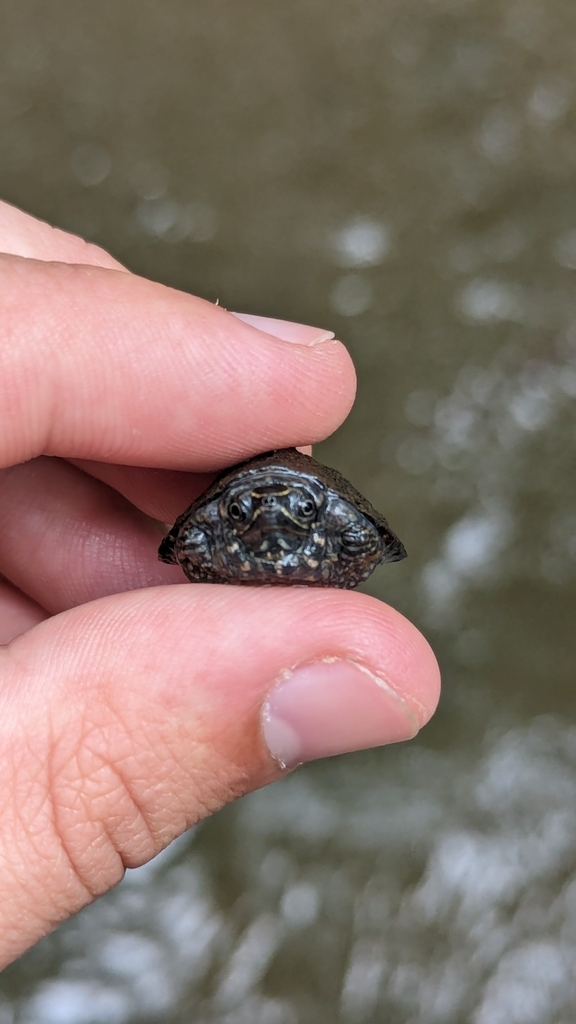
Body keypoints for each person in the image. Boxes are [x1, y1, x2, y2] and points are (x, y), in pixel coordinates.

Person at [0, 200, 440, 966]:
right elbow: (178, 544)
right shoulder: (208, 531)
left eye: (297, 508)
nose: (272, 513)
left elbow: (370, 539)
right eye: (246, 509)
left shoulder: (332, 524)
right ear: (225, 516)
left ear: (320, 513)